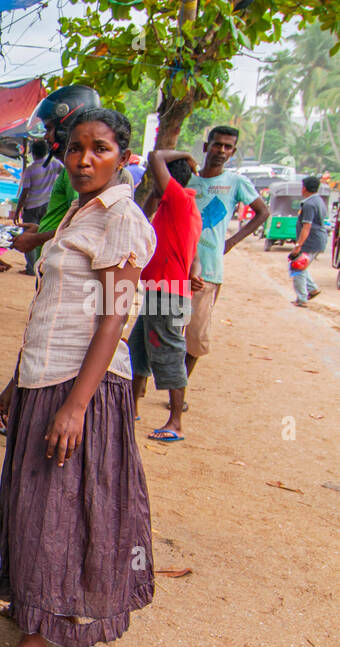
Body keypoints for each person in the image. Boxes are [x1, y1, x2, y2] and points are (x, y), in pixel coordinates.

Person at [0, 107, 156, 647]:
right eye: (75, 148)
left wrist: (76, 405)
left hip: (85, 386)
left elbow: (113, 319)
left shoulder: (121, 219)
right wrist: (15, 380)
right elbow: (49, 310)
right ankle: (32, 605)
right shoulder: (81, 209)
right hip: (44, 377)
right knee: (30, 501)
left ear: (123, 156)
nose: (83, 159)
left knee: (57, 510)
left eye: (99, 148)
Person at [129, 149, 201, 443]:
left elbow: (156, 154)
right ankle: (130, 407)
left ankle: (176, 422)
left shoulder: (182, 202)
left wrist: (185, 154)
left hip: (167, 293)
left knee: (169, 354)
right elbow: (141, 217)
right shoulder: (174, 207)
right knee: (138, 350)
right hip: (159, 290)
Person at [187, 126, 268, 381]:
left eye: (228, 147)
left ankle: (179, 388)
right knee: (164, 329)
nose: (221, 150)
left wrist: (231, 242)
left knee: (196, 335)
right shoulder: (187, 178)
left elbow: (263, 213)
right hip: (177, 267)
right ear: (206, 146)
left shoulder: (236, 182)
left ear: (233, 152)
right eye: (217, 144)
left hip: (209, 271)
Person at [11, 85, 102, 266]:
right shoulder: (68, 170)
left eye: (49, 128)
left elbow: (81, 226)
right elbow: (68, 221)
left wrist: (36, 239)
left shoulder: (78, 174)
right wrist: (40, 230)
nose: (46, 136)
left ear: (66, 129)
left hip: (63, 268)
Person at [13, 139, 62, 275]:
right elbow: (64, 172)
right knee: (43, 234)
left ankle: (30, 267)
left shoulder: (31, 169)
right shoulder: (55, 164)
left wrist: (18, 210)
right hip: (47, 205)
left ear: (33, 153)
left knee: (29, 235)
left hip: (32, 206)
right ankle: (42, 264)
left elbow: (25, 192)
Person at [288, 175, 328, 307]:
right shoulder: (318, 200)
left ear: (304, 188)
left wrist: (298, 246)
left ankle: (302, 299)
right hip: (318, 240)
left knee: (297, 267)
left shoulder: (309, 204)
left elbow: (307, 226)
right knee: (302, 267)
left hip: (311, 241)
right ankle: (312, 289)